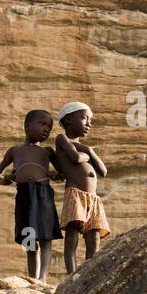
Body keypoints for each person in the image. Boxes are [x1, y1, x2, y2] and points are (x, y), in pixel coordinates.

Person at [0, 109, 62, 281]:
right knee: (30, 239)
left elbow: (63, 174)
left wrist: (55, 175)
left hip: (43, 194)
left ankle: (42, 277)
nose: (46, 129)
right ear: (27, 126)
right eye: (42, 124)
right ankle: (33, 278)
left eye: (49, 128)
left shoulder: (47, 151)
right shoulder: (14, 151)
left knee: (45, 236)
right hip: (23, 195)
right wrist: (6, 180)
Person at [52, 101, 108, 275]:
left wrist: (90, 151)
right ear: (69, 119)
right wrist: (86, 152)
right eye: (85, 118)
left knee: (94, 236)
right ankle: (72, 275)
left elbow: (103, 171)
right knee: (72, 235)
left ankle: (88, 273)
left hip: (93, 198)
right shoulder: (62, 139)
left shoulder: (85, 148)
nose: (89, 124)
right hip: (75, 193)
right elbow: (76, 158)